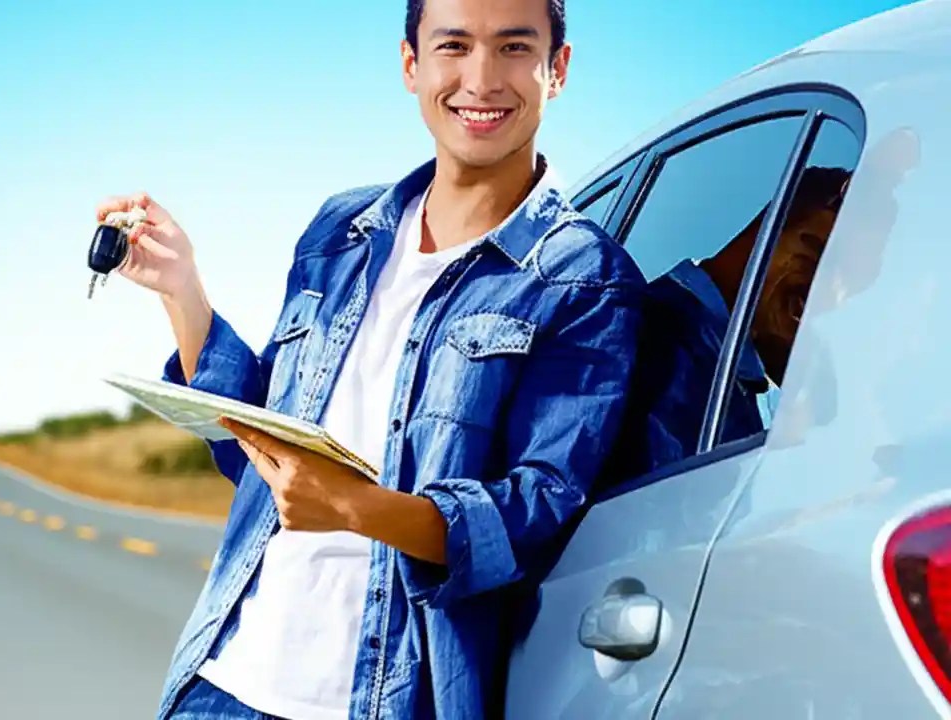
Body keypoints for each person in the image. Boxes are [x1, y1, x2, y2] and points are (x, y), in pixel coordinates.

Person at [97, 0, 644, 717]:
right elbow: (260, 465)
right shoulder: (340, 232)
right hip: (225, 679)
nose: (480, 79)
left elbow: (535, 512)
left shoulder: (584, 278)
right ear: (411, 65)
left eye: (514, 48)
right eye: (453, 47)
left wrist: (358, 508)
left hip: (384, 697)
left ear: (557, 70)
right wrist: (183, 290)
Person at [607, 165, 852, 482]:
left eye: (855, 288)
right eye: (823, 259)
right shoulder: (646, 338)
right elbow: (664, 516)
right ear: (765, 233)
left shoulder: (731, 380)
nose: (835, 298)